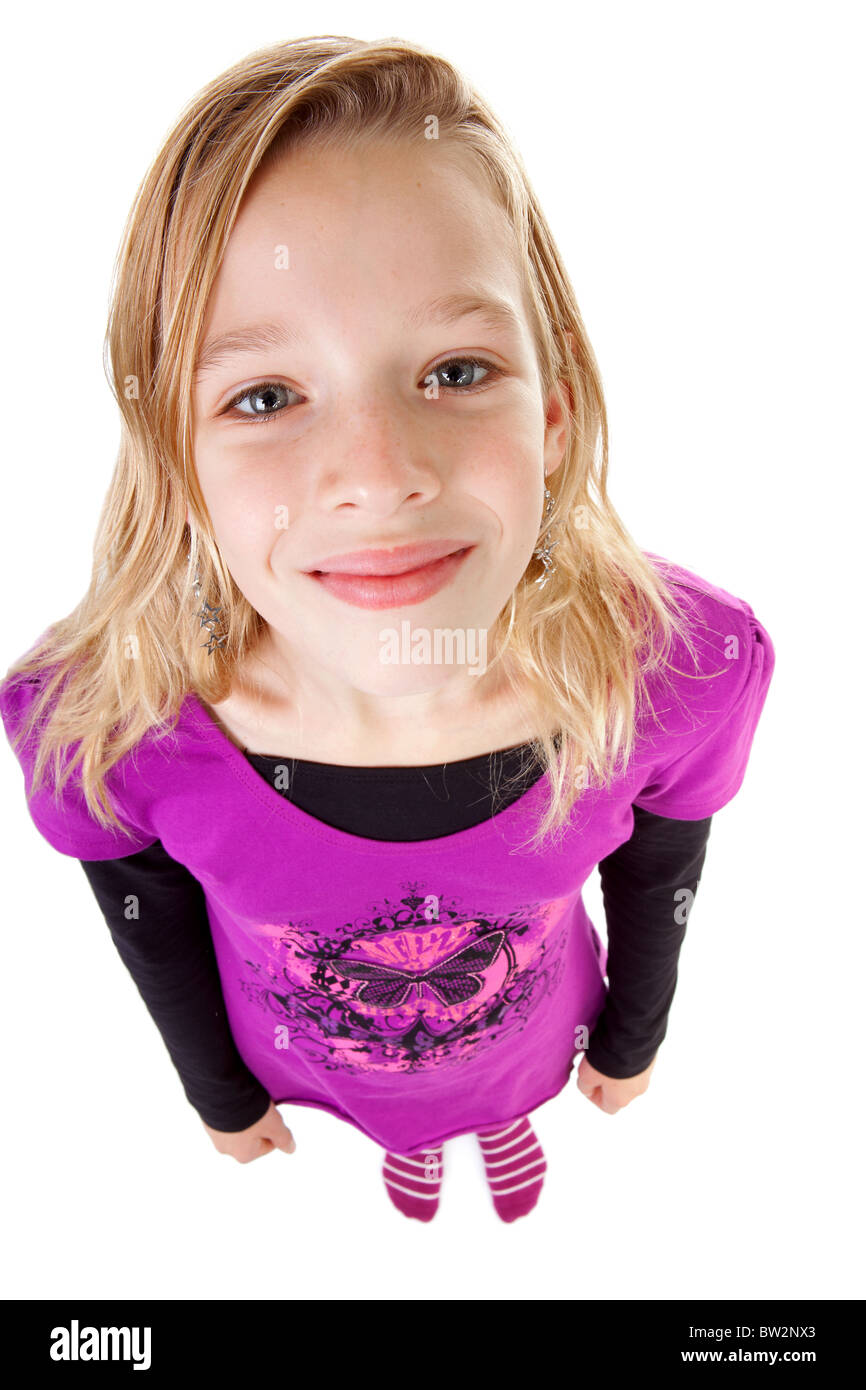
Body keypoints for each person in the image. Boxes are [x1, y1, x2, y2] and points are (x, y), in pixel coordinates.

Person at [0, 35, 775, 1225]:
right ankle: (406, 1138)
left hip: (529, 1033)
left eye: (455, 370)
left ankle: (493, 1116)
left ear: (553, 411)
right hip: (315, 1058)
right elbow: (147, 925)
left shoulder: (680, 671)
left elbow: (662, 877)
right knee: (400, 1114)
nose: (377, 477)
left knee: (496, 1083)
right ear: (176, 456)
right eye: (264, 396)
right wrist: (216, 1093)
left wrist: (630, 1039)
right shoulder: (103, 725)